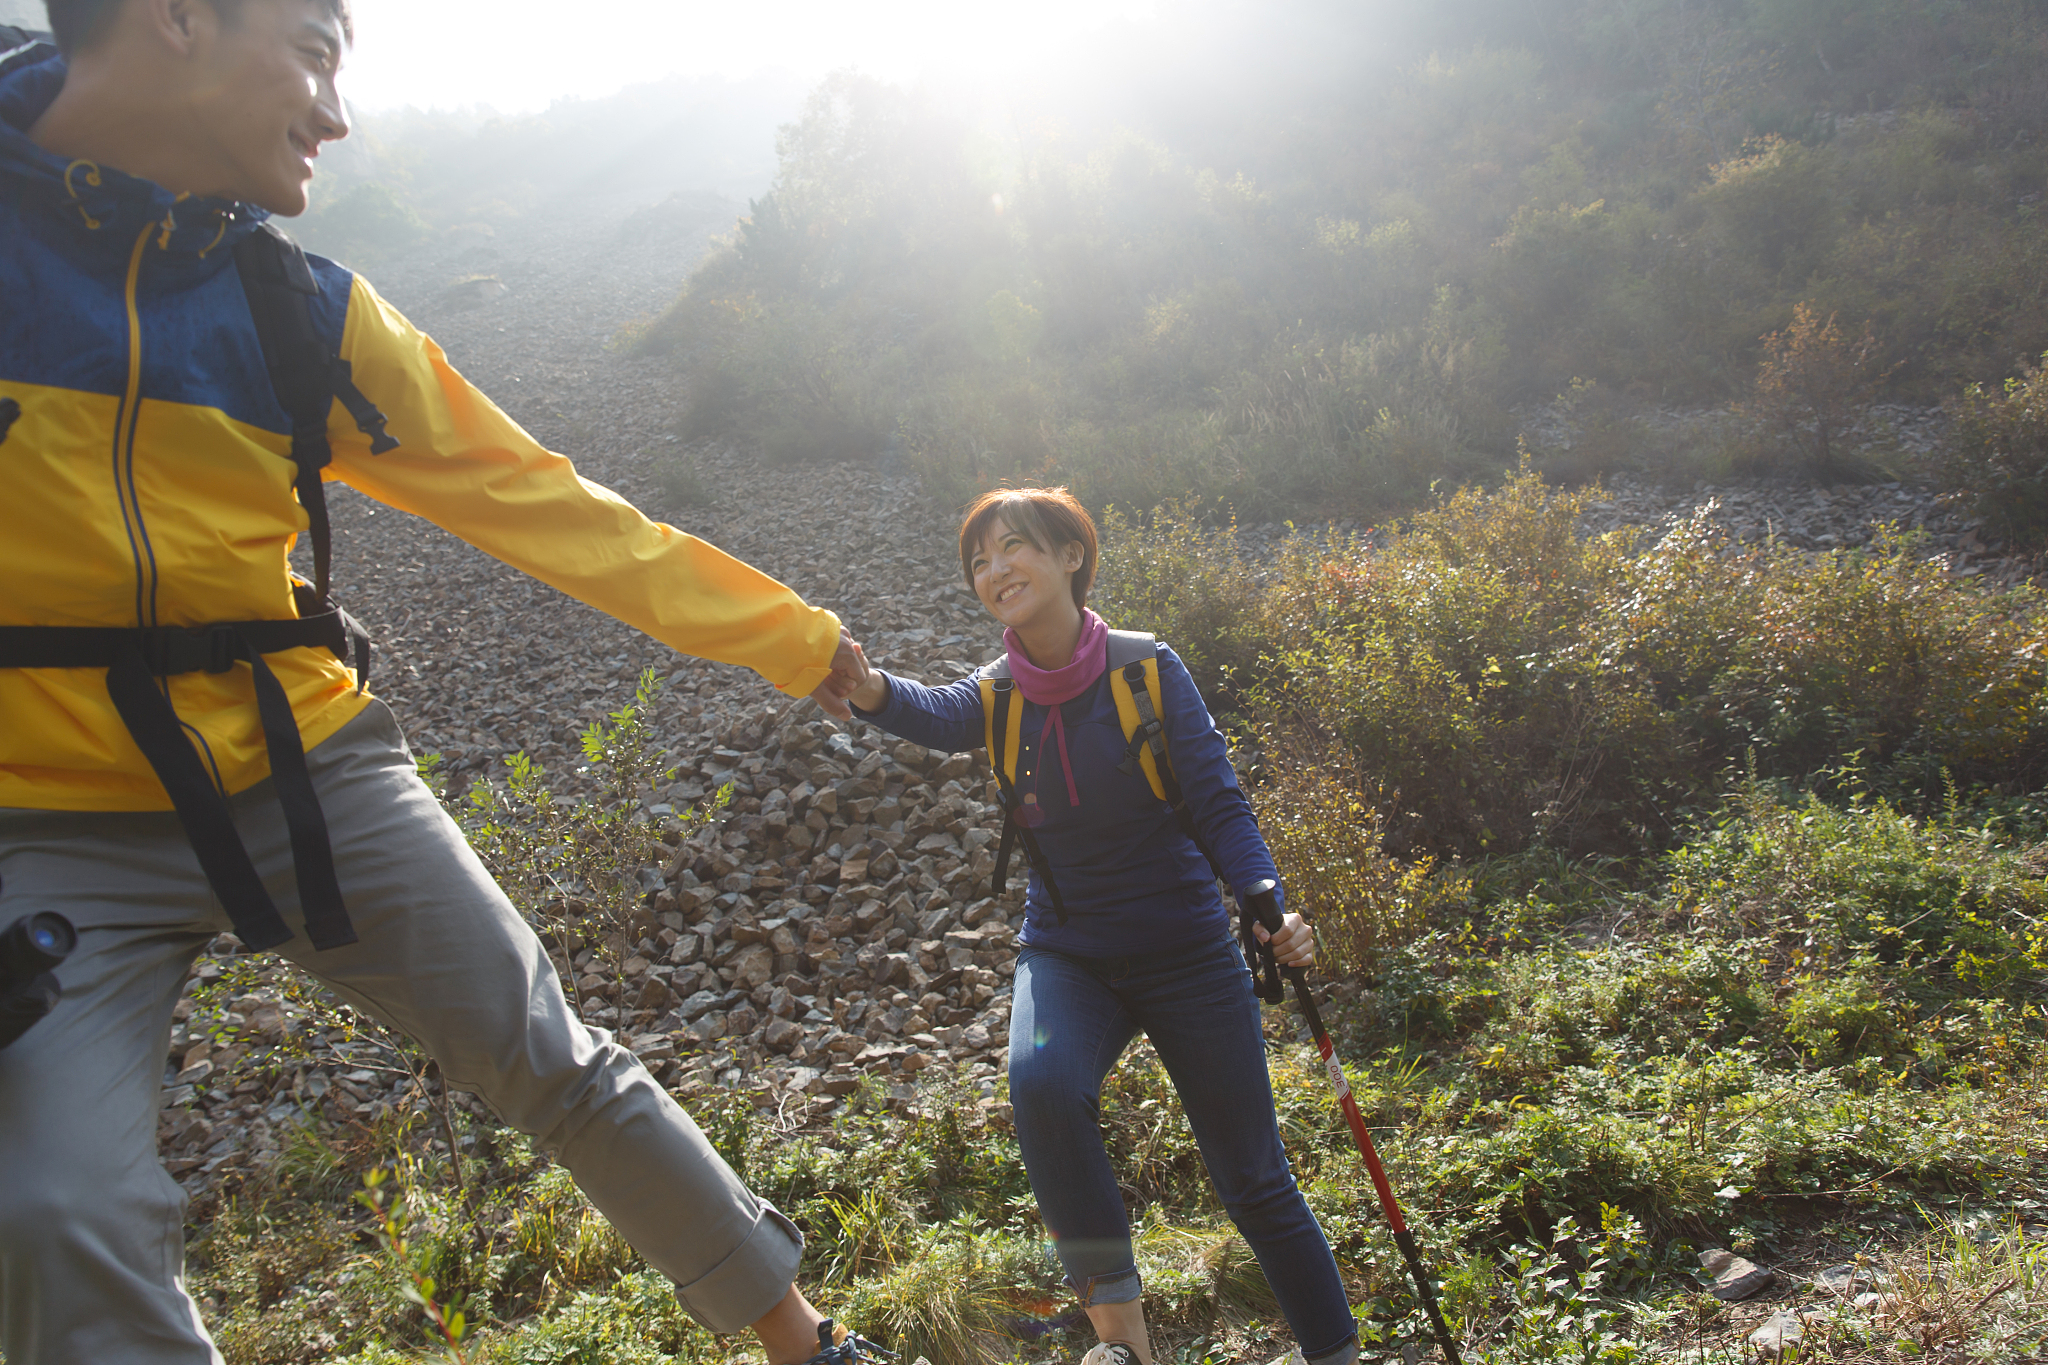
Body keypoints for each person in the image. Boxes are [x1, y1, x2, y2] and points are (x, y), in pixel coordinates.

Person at [0, 2, 883, 1362]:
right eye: (313, 50)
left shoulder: (299, 313)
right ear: (176, 17)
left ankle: (812, 1348)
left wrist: (793, 636)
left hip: (307, 775)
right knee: (52, 1206)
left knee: (554, 1060)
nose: (336, 113)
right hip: (46, 829)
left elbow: (549, 505)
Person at [839, 488, 1361, 1365]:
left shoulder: (1147, 671)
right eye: (979, 560)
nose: (995, 569)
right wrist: (866, 687)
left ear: (1071, 555)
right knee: (1040, 1082)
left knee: (1254, 1179)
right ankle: (1123, 1341)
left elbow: (1218, 802)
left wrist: (1265, 898)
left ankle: (1336, 1353)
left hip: (1188, 949)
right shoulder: (999, 693)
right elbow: (929, 711)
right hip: (1069, 950)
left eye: (1014, 548)